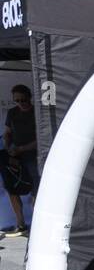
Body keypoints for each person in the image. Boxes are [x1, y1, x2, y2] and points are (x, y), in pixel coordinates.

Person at [3, 83, 39, 235]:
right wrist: (8, 148)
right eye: (17, 101)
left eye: (23, 100)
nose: (20, 103)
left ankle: (38, 224)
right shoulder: (12, 113)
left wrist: (23, 149)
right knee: (11, 189)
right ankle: (21, 224)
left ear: (29, 97)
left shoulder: (37, 113)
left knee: (36, 189)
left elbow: (42, 137)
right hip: (15, 156)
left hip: (33, 155)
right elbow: (7, 133)